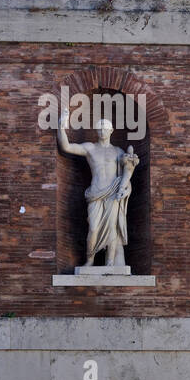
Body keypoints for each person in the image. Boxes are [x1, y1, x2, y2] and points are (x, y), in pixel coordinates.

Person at [58, 112, 139, 268]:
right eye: (99, 128)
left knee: (112, 229)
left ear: (111, 130)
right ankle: (90, 261)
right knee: (93, 228)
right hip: (95, 194)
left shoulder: (118, 152)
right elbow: (66, 146)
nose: (102, 131)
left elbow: (126, 177)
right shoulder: (90, 148)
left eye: (105, 128)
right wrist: (61, 127)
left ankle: (110, 263)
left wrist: (126, 191)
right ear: (96, 131)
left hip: (113, 193)